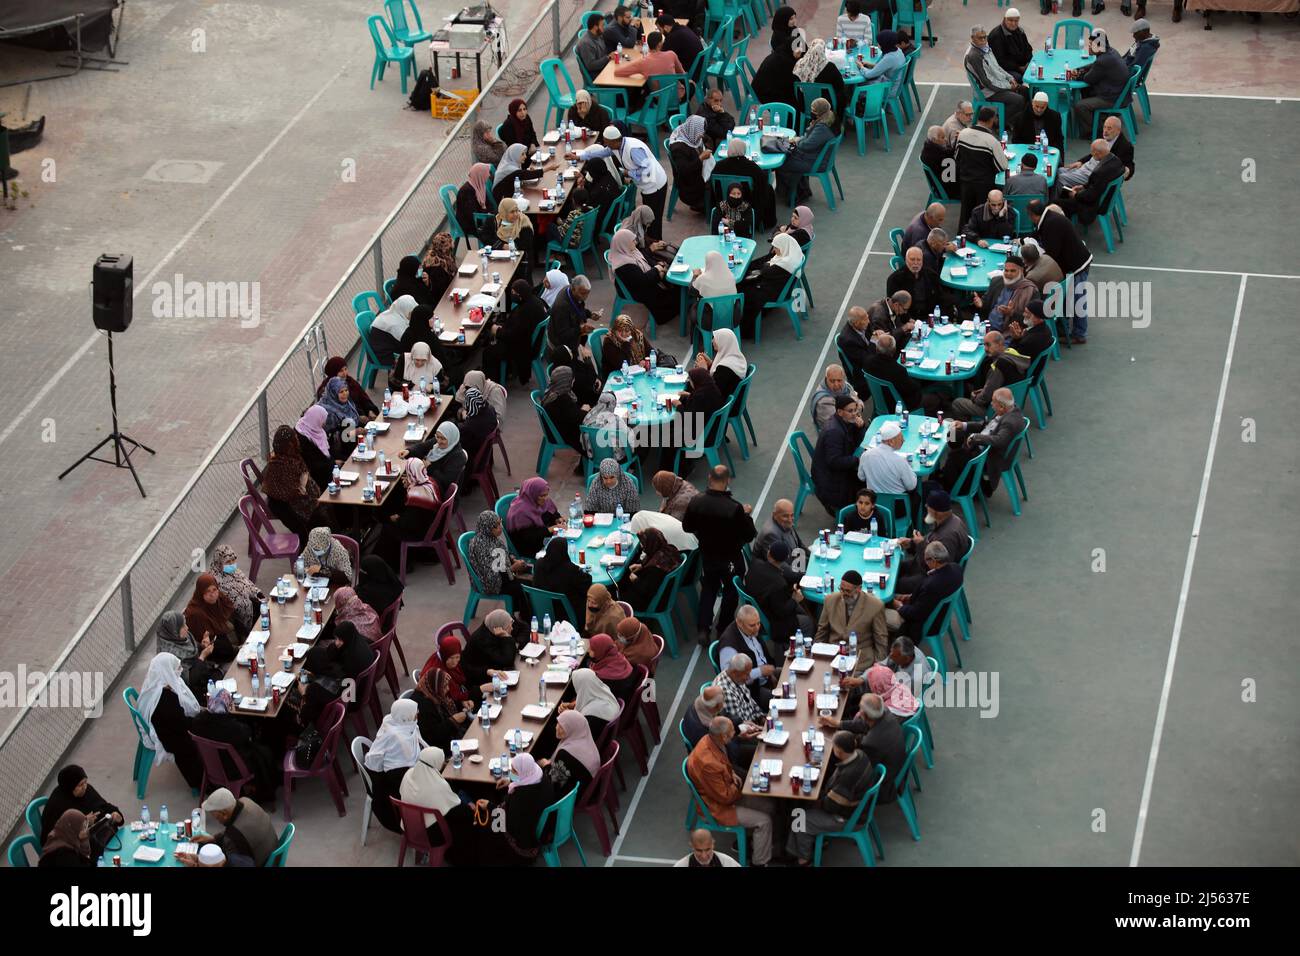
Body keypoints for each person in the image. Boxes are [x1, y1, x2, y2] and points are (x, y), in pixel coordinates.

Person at [686, 716, 775, 866]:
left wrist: (732, 774)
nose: (735, 732)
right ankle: (759, 862)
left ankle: (755, 843)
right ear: (723, 736)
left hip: (724, 792)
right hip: (719, 807)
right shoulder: (708, 763)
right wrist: (743, 787)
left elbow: (723, 766)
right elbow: (726, 797)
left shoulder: (710, 740)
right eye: (732, 731)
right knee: (764, 821)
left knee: (770, 805)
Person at [786, 731, 880, 865]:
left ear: (840, 751)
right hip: (857, 808)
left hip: (847, 817)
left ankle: (804, 860)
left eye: (834, 747)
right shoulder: (860, 755)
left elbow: (831, 806)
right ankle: (797, 849)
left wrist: (816, 799)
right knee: (801, 807)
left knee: (800, 819)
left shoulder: (847, 777)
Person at [683, 465, 756, 638]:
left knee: (709, 588)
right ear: (727, 480)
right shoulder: (734, 507)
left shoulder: (696, 501)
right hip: (730, 557)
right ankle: (723, 628)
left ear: (709, 477)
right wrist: (746, 515)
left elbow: (687, 526)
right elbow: (749, 534)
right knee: (731, 592)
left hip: (708, 555)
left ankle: (703, 628)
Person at [571, 128, 670, 240]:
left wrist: (630, 173)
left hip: (655, 186)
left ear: (614, 141)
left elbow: (647, 170)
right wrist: (579, 157)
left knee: (653, 220)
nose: (605, 145)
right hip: (645, 186)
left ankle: (656, 247)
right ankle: (650, 243)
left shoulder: (633, 149)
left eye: (607, 142)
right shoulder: (616, 146)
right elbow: (602, 152)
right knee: (648, 219)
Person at [939, 387, 1027, 498]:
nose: (991, 403)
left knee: (954, 455)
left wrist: (976, 437)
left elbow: (999, 440)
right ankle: (948, 473)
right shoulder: (1009, 410)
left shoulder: (1009, 422)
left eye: (993, 401)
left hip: (987, 456)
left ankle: (949, 487)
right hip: (982, 446)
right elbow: (986, 425)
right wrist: (964, 425)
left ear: (1001, 406)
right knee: (955, 435)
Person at [1027, 199, 1092, 344]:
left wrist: (1036, 262)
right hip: (1074, 263)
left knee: (1078, 300)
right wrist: (1023, 240)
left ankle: (1079, 334)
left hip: (1078, 265)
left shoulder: (1051, 224)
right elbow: (1038, 234)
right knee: (1073, 297)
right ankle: (1068, 328)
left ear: (1031, 215)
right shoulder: (1048, 218)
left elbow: (1052, 254)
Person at [136, 652, 204, 790]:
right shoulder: (165, 700)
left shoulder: (154, 686)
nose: (180, 671)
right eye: (176, 668)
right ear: (166, 672)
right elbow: (182, 724)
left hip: (170, 728)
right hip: (174, 739)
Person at [399, 746, 476, 863]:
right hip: (431, 834)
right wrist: (471, 808)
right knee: (466, 817)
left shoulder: (408, 774)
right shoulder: (438, 786)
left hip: (408, 826)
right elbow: (455, 806)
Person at [821, 694, 905, 801]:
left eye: (861, 709)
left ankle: (827, 794)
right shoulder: (884, 713)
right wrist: (838, 724)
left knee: (832, 759)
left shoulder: (871, 743)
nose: (859, 711)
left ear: (865, 715)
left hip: (883, 784)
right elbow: (863, 724)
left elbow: (858, 767)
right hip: (892, 764)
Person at [363, 698, 428, 830]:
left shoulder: (395, 721)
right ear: (405, 716)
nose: (417, 715)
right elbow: (405, 769)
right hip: (395, 783)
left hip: (395, 773)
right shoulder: (398, 739)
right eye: (415, 713)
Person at [887, 541, 963, 641]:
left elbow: (916, 613)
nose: (925, 563)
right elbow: (927, 599)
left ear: (934, 561)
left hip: (925, 623)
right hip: (940, 614)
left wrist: (899, 606)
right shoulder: (956, 568)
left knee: (878, 614)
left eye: (926, 560)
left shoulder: (931, 585)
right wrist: (910, 597)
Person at [40, 766, 122, 856]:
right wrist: (83, 824)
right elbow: (55, 839)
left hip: (96, 836)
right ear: (70, 787)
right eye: (80, 785)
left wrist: (116, 814)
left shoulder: (87, 791)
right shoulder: (58, 806)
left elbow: (104, 806)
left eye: (85, 782)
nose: (85, 787)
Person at [816, 569, 889, 669]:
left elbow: (881, 639)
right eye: (841, 589)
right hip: (833, 656)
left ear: (859, 589)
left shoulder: (875, 606)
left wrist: (879, 668)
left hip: (860, 660)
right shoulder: (830, 600)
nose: (843, 594)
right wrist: (816, 656)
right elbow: (822, 631)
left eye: (847, 591)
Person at [895, 489, 970, 586]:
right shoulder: (949, 519)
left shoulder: (947, 537)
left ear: (937, 512)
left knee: (894, 584)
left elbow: (935, 568)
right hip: (922, 564)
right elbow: (930, 541)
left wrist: (920, 544)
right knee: (893, 567)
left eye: (928, 505)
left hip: (931, 578)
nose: (926, 506)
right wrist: (912, 543)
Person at [949, 330, 1028, 421]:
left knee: (957, 403)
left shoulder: (998, 367)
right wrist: (983, 391)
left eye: (988, 345)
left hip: (995, 411)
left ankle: (967, 430)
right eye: (984, 345)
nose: (985, 349)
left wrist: (974, 398)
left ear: (999, 344)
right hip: (1012, 402)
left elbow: (985, 398)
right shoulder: (1012, 352)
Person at [466, 511, 532, 616]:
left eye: (500, 523)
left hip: (502, 574)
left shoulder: (491, 538)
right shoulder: (480, 546)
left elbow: (502, 553)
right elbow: (490, 575)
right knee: (524, 587)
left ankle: (523, 611)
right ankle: (526, 617)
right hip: (491, 583)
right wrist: (512, 569)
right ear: (487, 528)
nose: (500, 527)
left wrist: (513, 560)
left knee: (531, 571)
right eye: (496, 526)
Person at [609, 228, 678, 327]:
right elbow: (643, 281)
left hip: (639, 283)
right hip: (637, 290)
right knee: (676, 298)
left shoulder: (628, 251)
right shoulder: (623, 264)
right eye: (632, 241)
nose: (636, 242)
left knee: (675, 287)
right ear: (624, 243)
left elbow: (645, 260)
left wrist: (658, 268)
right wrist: (657, 271)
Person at [738, 232, 803, 338]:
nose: (774, 250)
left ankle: (745, 330)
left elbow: (765, 271)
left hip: (777, 292)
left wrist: (767, 265)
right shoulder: (792, 254)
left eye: (776, 247)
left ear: (783, 247)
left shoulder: (784, 264)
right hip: (780, 286)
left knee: (744, 292)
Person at [744, 543, 811, 644]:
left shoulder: (755, 565)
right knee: (808, 622)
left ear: (768, 554)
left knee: (802, 612)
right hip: (772, 619)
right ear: (786, 558)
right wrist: (794, 600)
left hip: (759, 607)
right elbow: (781, 612)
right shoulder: (779, 583)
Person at [813, 395, 868, 517]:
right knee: (866, 485)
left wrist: (860, 427)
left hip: (836, 475)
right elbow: (834, 461)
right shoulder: (834, 432)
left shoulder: (845, 422)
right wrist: (858, 460)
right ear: (840, 412)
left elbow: (858, 441)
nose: (854, 414)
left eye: (855, 410)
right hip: (831, 483)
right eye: (850, 411)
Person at [195, 787, 279, 867]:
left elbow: (242, 864)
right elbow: (236, 830)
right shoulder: (246, 801)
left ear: (224, 814)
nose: (217, 821)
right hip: (272, 852)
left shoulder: (234, 838)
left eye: (216, 817)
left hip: (264, 863)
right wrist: (214, 838)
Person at [1069, 29, 1129, 139]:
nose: (1089, 47)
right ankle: (1095, 119)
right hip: (1119, 93)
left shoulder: (1103, 61)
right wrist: (1080, 69)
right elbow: (1093, 65)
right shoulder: (1110, 52)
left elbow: (1088, 79)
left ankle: (1095, 131)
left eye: (1091, 44)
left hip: (1112, 98)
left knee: (1080, 106)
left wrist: (1076, 75)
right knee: (1085, 90)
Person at [955, 105, 1008, 228]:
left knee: (965, 214)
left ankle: (962, 238)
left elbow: (957, 156)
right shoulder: (992, 141)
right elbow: (1002, 166)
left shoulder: (962, 134)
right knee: (982, 216)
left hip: (965, 182)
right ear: (991, 121)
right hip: (984, 185)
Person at [964, 24, 1027, 127]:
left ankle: (1011, 120)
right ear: (972, 38)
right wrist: (1008, 86)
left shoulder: (985, 47)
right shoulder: (974, 56)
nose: (984, 40)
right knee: (1019, 100)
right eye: (980, 38)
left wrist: (1009, 78)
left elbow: (997, 67)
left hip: (997, 83)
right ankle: (997, 122)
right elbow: (987, 82)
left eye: (985, 37)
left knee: (1024, 90)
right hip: (988, 92)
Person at [776, 97, 836, 205]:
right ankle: (799, 190)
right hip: (815, 156)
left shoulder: (821, 128)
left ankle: (795, 193)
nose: (811, 112)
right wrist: (799, 139)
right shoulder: (826, 119)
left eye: (814, 110)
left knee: (781, 163)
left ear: (820, 112)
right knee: (787, 154)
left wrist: (796, 141)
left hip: (814, 161)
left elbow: (806, 145)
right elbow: (808, 139)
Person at [713, 138, 776, 231]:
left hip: (725, 200)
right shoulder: (752, 167)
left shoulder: (719, 165)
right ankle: (765, 221)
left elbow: (714, 186)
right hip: (748, 200)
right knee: (768, 188)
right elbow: (762, 183)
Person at [1057, 139, 1125, 225]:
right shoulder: (1116, 160)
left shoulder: (1100, 172)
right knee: (1064, 190)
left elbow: (1091, 196)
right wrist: (1083, 187)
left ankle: (1064, 227)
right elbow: (1096, 185)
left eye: (1092, 153)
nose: (1091, 155)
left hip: (1094, 205)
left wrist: (1076, 195)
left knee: (1057, 201)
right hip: (1105, 198)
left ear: (1098, 154)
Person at [716, 608, 777, 701]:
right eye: (752, 625)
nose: (757, 628)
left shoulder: (750, 630)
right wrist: (760, 672)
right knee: (780, 701)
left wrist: (769, 674)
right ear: (739, 623)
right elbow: (731, 678)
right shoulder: (728, 646)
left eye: (758, 623)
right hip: (751, 690)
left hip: (767, 675)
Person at [410, 666, 473, 754]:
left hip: (451, 736)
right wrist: (453, 721)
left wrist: (462, 703)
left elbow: (450, 703)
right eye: (445, 686)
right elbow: (432, 736)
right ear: (436, 686)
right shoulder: (423, 706)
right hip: (439, 748)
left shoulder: (433, 692)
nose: (447, 689)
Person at [532, 536, 593, 625]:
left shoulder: (539, 564)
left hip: (542, 611)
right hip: (566, 614)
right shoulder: (569, 569)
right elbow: (587, 582)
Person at [540, 709, 600, 798]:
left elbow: (554, 785)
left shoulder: (565, 754)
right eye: (558, 723)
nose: (557, 728)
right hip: (590, 786)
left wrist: (545, 765)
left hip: (575, 796)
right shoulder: (584, 739)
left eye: (562, 727)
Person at [182, 573, 240, 664]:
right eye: (207, 591)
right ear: (201, 593)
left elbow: (230, 609)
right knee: (224, 647)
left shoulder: (218, 596)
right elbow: (205, 640)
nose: (212, 594)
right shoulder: (195, 613)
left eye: (214, 589)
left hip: (218, 633)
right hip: (207, 647)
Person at [620, 526, 681, 611]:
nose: (644, 548)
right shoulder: (669, 550)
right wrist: (642, 566)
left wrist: (635, 579)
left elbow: (646, 590)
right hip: (666, 592)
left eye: (645, 544)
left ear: (650, 544)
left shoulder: (655, 569)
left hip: (652, 601)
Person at [462, 608, 522, 689]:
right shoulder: (483, 640)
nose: (512, 628)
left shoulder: (493, 625)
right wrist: (506, 637)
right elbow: (507, 661)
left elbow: (525, 627)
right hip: (479, 680)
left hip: (492, 671)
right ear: (499, 628)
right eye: (508, 627)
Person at [973, 254, 1037, 331]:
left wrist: (1012, 313)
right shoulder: (996, 281)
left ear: (1021, 271)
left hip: (1010, 334)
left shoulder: (1030, 290)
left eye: (1012, 271)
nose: (1008, 274)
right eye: (1006, 270)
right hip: (987, 327)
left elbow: (1033, 321)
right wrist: (981, 304)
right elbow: (985, 303)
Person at [857, 420, 919, 495]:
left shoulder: (865, 455)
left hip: (874, 500)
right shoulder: (900, 461)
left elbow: (861, 477)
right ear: (891, 442)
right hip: (897, 502)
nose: (904, 440)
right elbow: (911, 486)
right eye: (901, 438)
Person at [506, 477, 563, 557]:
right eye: (542, 496)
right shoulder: (520, 513)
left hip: (545, 539)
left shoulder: (541, 501)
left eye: (547, 494)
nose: (546, 498)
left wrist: (558, 518)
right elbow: (530, 537)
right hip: (531, 548)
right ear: (532, 494)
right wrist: (553, 528)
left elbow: (552, 512)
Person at [666, 115, 712, 213]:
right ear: (693, 129)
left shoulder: (690, 134)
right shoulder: (678, 148)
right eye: (701, 132)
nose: (702, 135)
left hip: (697, 173)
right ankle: (702, 204)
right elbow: (685, 170)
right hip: (689, 184)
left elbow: (706, 139)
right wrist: (701, 158)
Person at [419, 632, 477, 708]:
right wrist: (481, 689)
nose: (454, 662)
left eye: (457, 657)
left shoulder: (442, 658)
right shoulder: (440, 673)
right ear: (444, 655)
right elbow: (453, 695)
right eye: (451, 658)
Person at [540, 365, 588, 455]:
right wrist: (584, 410)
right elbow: (577, 417)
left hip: (556, 428)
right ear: (565, 382)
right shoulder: (562, 399)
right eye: (572, 379)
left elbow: (570, 414)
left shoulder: (551, 392)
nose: (573, 380)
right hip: (562, 433)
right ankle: (586, 466)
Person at [887, 246, 941, 322]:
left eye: (919, 260)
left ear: (922, 261)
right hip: (906, 319)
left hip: (930, 317)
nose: (916, 263)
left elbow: (940, 297)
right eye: (912, 259)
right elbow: (894, 305)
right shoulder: (894, 279)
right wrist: (908, 319)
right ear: (906, 260)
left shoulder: (931, 275)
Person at [564, 667, 622, 738]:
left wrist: (566, 716)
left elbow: (575, 734)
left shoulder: (589, 715)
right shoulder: (603, 691)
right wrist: (573, 705)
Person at [793, 38, 845, 118]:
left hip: (804, 104)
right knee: (842, 93)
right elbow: (840, 85)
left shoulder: (800, 64)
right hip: (825, 106)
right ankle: (839, 120)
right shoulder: (829, 67)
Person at [752, 497, 805, 570]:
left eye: (792, 515)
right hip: (777, 573)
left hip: (794, 561)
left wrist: (813, 555)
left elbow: (800, 544)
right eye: (785, 516)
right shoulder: (771, 534)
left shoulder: (785, 523)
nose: (790, 519)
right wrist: (802, 576)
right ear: (774, 515)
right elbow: (779, 565)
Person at [368, 294, 416, 370]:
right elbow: (406, 343)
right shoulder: (394, 325)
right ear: (404, 310)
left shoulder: (393, 313)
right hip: (383, 356)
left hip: (386, 346)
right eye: (411, 312)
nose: (413, 315)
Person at [809, 364, 859, 435]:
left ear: (843, 378)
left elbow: (857, 401)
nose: (836, 384)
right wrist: (857, 410)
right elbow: (840, 421)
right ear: (826, 379)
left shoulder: (846, 387)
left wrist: (857, 408)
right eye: (832, 381)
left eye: (839, 380)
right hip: (834, 434)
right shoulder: (823, 401)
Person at [588, 632, 639, 700]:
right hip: (625, 694)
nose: (588, 651)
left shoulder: (603, 677)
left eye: (592, 649)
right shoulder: (619, 657)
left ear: (600, 651)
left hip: (614, 700)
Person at [751, 40, 798, 110]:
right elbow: (789, 83)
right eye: (798, 52)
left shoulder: (780, 54)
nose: (799, 55)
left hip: (760, 86)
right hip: (764, 93)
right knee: (795, 104)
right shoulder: (785, 61)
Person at [601, 313, 651, 378]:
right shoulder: (609, 341)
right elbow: (622, 364)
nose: (623, 334)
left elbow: (652, 352)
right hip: (617, 376)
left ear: (631, 329)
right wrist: (625, 343)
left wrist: (645, 360)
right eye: (620, 331)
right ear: (615, 330)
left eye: (627, 331)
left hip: (638, 372)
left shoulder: (637, 335)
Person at [988, 8, 1032, 79]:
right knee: (1019, 77)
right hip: (1003, 69)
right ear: (1005, 19)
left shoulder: (1020, 31)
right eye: (1010, 20)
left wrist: (1028, 63)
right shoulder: (996, 36)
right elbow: (1000, 61)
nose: (1013, 24)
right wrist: (1019, 68)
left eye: (1016, 21)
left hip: (1021, 65)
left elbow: (1028, 49)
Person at [456, 162, 494, 243]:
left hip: (481, 218)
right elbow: (472, 215)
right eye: (486, 173)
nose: (488, 176)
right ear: (480, 175)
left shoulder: (480, 186)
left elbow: (489, 205)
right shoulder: (466, 191)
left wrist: (492, 214)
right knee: (494, 232)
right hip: (470, 223)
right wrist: (488, 215)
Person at [355, 554, 403, 618]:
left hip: (375, 623)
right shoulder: (392, 582)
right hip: (387, 620)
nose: (360, 572)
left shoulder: (367, 593)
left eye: (363, 571)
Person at [674, 828, 742, 867]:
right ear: (692, 846)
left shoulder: (727, 863)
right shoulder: (681, 865)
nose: (704, 856)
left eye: (707, 849)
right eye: (699, 850)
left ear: (712, 844)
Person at [920, 126, 955, 198]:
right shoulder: (938, 155)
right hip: (946, 189)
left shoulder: (928, 147)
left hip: (938, 183)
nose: (945, 140)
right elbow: (951, 179)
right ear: (934, 139)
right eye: (942, 138)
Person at [576, 12, 612, 80]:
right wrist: (608, 57)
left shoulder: (598, 35)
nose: (604, 27)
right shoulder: (586, 43)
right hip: (597, 76)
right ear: (595, 27)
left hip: (604, 69)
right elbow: (591, 65)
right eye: (602, 25)